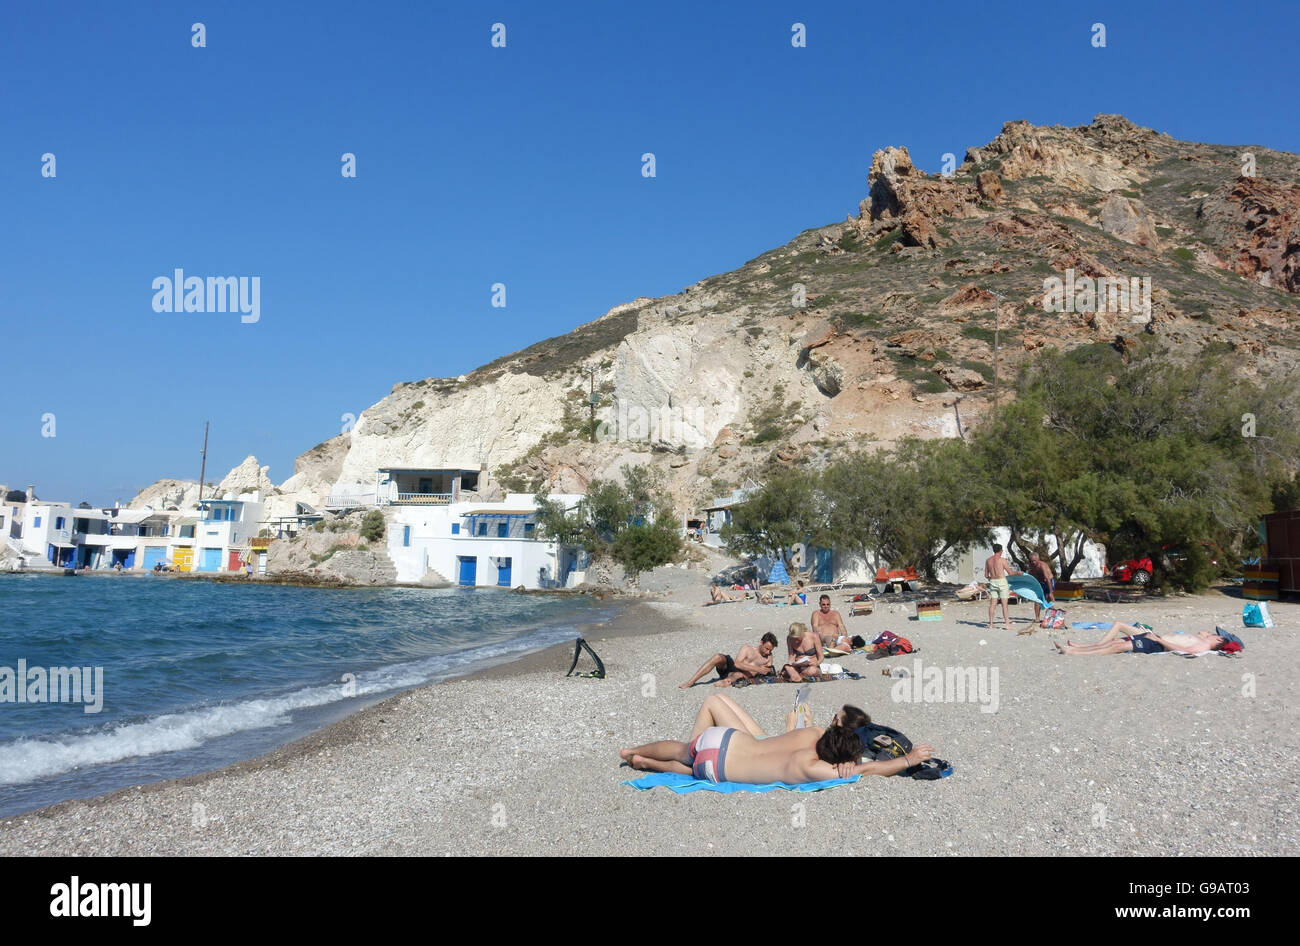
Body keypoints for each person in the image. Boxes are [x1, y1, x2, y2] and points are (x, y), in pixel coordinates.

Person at [619, 693, 934, 784]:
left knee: (682, 749)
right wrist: (907, 760)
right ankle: (646, 763)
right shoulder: (812, 769)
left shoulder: (811, 732)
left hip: (725, 740)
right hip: (719, 768)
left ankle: (632, 751)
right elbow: (869, 769)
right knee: (693, 770)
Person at [1054, 623, 1244, 656]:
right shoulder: (1204, 638)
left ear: (1219, 639)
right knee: (1116, 641)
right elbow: (1203, 631)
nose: (1211, 633)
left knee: (1117, 646)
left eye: (1216, 634)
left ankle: (1074, 652)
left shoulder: (1203, 646)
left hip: (1156, 643)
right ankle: (1079, 648)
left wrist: (1158, 640)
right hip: (1154, 637)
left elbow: (1185, 651)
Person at [679, 632, 780, 688]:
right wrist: (758, 668)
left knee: (739, 675)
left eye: (770, 650)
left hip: (740, 675)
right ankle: (691, 682)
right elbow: (737, 664)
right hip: (732, 667)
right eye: (766, 649)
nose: (768, 652)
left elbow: (767, 673)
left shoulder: (769, 658)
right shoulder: (747, 648)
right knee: (718, 657)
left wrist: (766, 671)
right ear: (761, 642)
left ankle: (725, 682)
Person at [984, 544, 1022, 631]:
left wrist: (991, 579)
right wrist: (1018, 573)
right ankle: (1007, 625)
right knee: (1004, 605)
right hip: (1002, 582)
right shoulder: (1002, 560)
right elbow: (1011, 573)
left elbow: (986, 575)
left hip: (993, 582)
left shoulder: (988, 560)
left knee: (993, 604)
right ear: (1001, 551)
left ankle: (991, 624)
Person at [1027, 552, 1055, 623]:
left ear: (1038, 559)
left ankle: (1052, 617)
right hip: (1040, 583)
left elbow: (1048, 579)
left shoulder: (1042, 566)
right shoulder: (1031, 566)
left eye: (1035, 560)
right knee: (1037, 600)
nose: (1033, 562)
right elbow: (1030, 576)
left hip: (1049, 581)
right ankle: (1037, 618)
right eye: (1031, 561)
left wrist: (1051, 593)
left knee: (1048, 598)